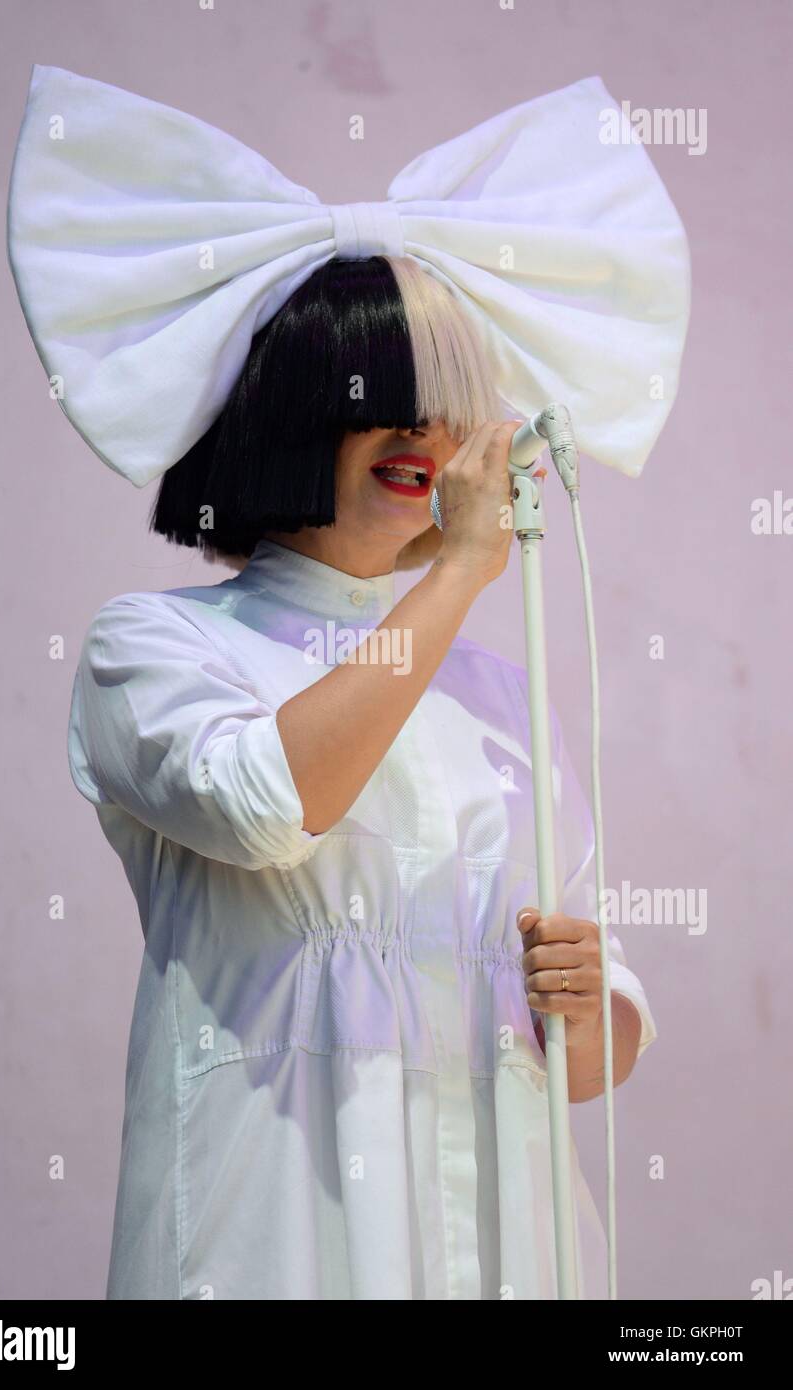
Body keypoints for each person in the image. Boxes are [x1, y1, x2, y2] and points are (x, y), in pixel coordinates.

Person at [68, 255, 657, 1300]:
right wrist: (458, 569)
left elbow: (586, 1053)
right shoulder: (157, 645)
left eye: (446, 410)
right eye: (382, 402)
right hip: (278, 1238)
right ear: (290, 411)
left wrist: (583, 1000)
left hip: (509, 1246)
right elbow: (268, 807)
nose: (422, 440)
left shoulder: (503, 697)